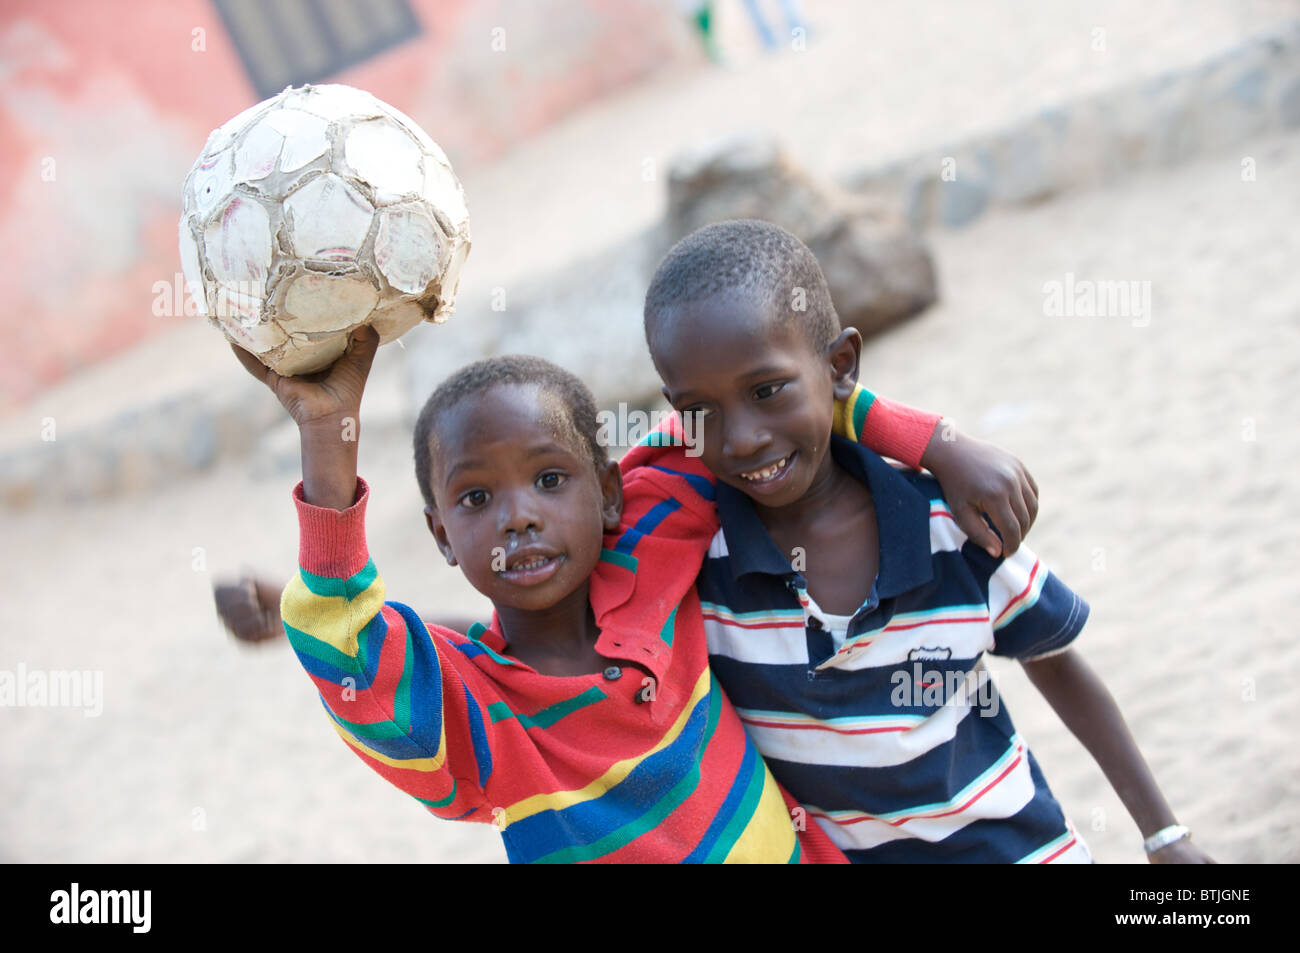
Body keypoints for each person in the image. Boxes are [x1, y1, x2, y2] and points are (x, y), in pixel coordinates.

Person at [631, 218, 1215, 863]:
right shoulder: (692, 563)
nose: (741, 438)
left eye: (767, 391)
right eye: (701, 412)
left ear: (840, 366)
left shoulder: (947, 522)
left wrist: (1164, 836)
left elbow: (1058, 663)